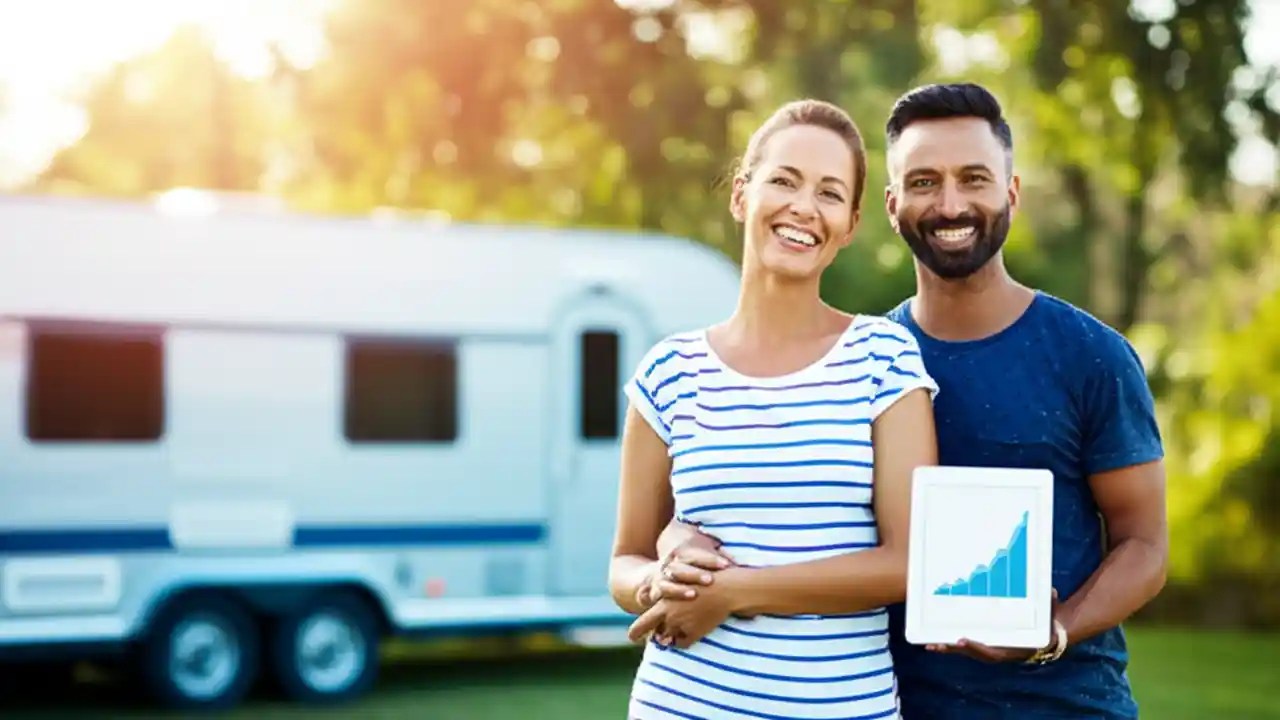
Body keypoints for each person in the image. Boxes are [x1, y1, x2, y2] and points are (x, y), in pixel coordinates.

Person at [651, 83, 1170, 719]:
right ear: (892, 207)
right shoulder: (863, 361)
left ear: (1011, 192)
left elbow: (1144, 547)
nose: (951, 203)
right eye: (924, 182)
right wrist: (675, 533)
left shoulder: (1091, 355)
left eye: (974, 179)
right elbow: (791, 502)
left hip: (1064, 706)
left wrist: (1054, 629)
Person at [607, 98, 939, 720]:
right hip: (682, 702)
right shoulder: (669, 371)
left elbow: (909, 562)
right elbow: (625, 560)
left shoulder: (884, 358)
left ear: (849, 225)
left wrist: (732, 592)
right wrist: (657, 583)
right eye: (783, 180)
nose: (803, 208)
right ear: (741, 195)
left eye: (829, 193)